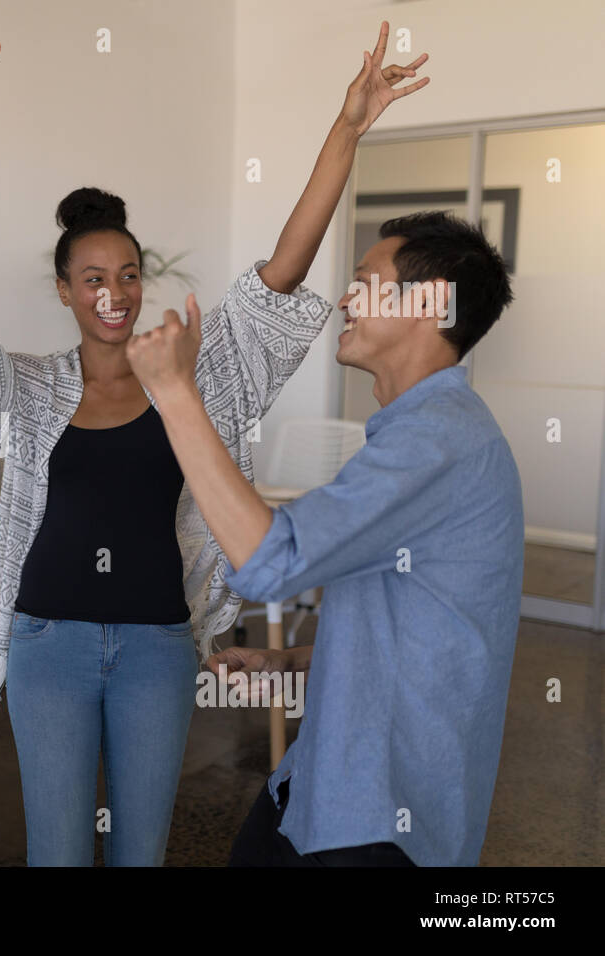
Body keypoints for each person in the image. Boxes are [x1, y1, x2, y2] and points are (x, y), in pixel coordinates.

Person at [0, 20, 429, 866]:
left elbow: (286, 264)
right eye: (93, 279)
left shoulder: (197, 372)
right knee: (58, 853)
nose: (114, 293)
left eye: (129, 275)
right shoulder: (27, 382)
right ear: (64, 290)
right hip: (46, 643)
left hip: (157, 647)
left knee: (142, 853)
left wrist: (347, 127)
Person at [129, 204, 520, 866]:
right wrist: (295, 661)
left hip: (378, 817)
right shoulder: (431, 430)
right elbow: (427, 616)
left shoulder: (438, 441)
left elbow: (269, 561)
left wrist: (175, 394)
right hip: (322, 782)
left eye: (365, 281)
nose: (344, 298)